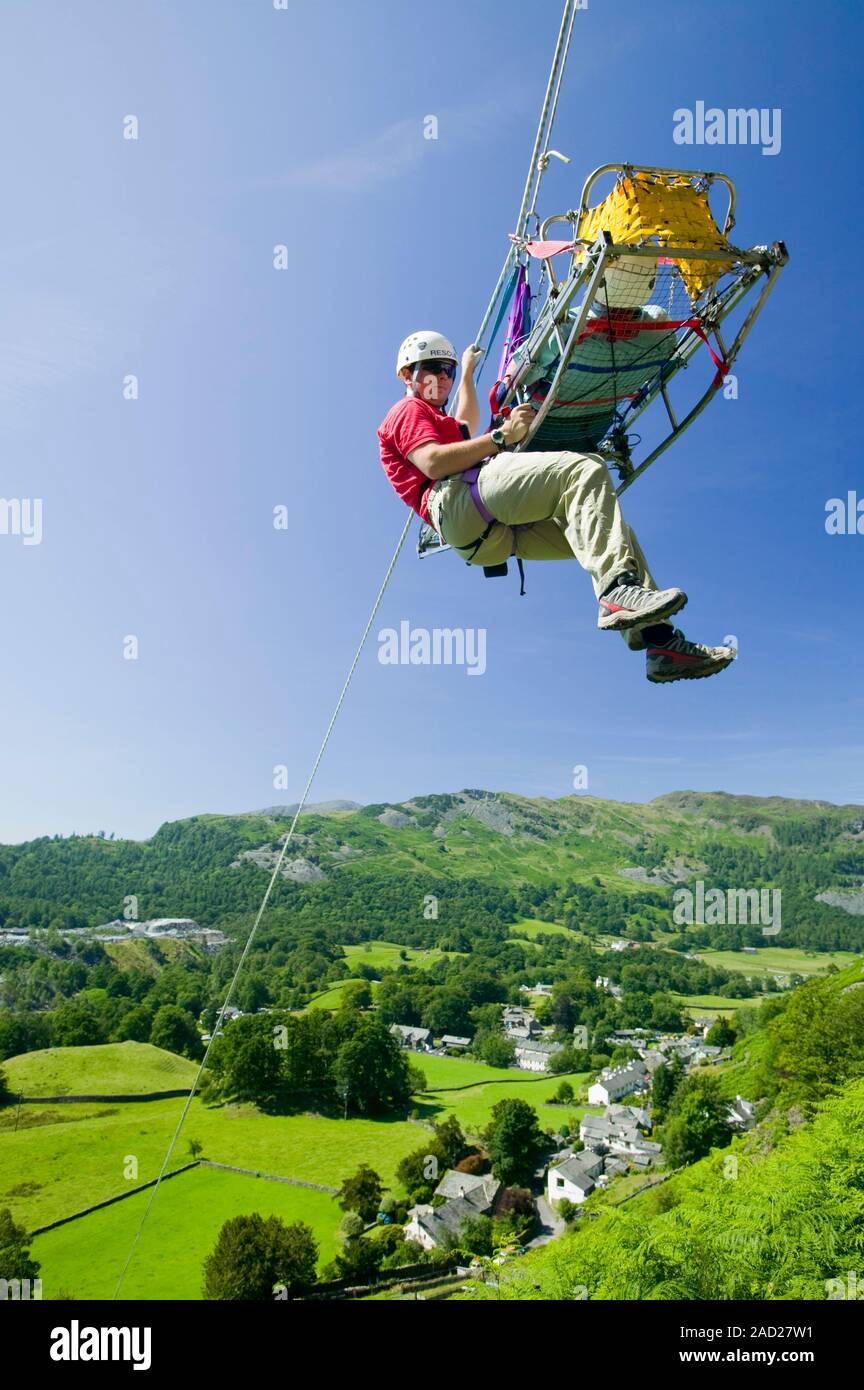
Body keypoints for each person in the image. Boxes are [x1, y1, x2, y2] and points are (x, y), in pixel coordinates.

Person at [377, 329, 735, 683]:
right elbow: (434, 463)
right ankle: (615, 592)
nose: (443, 376)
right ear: (408, 374)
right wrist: (503, 436)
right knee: (585, 468)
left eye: (448, 370)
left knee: (610, 532)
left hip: (484, 538)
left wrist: (467, 372)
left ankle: (661, 645)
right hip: (457, 499)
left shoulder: (439, 418)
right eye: (433, 367)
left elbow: (465, 422)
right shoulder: (406, 410)